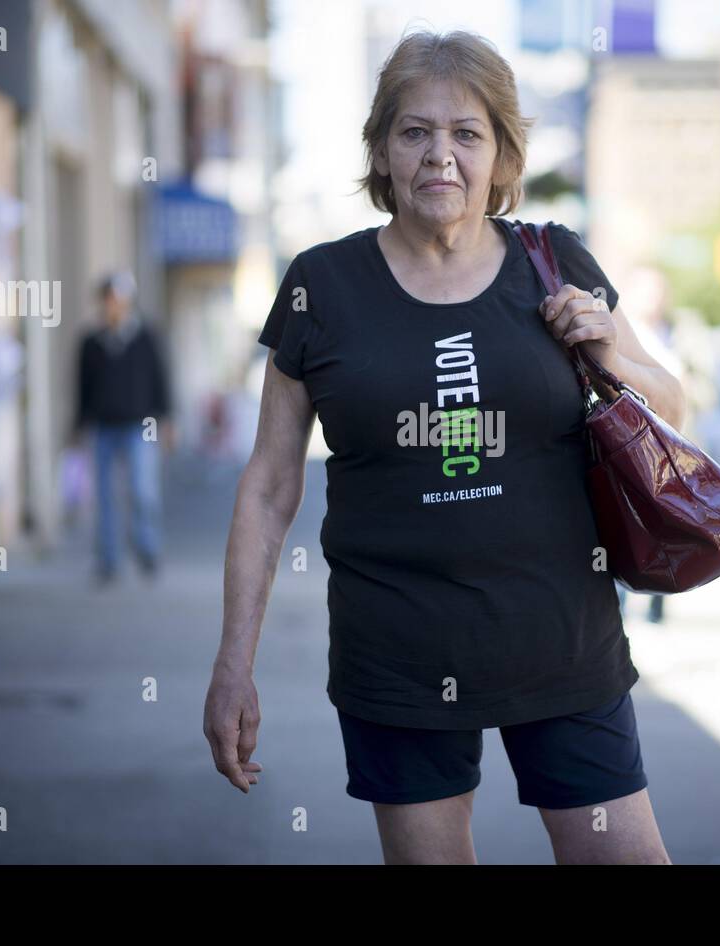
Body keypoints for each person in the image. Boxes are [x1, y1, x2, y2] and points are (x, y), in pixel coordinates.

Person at [203, 30, 686, 865]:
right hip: (398, 653)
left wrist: (610, 347)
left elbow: (672, 415)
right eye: (414, 131)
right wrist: (231, 663)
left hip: (562, 642)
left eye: (467, 133)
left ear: (501, 155)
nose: (441, 156)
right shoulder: (322, 286)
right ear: (382, 151)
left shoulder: (555, 262)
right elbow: (270, 485)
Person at [74, 271, 175, 584]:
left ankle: (147, 549)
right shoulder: (91, 342)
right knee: (104, 495)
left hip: (139, 426)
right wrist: (78, 424)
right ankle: (108, 559)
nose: (113, 306)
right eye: (108, 300)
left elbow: (161, 380)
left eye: (118, 300)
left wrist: (168, 419)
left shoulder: (146, 337)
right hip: (103, 426)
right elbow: (82, 388)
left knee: (143, 490)